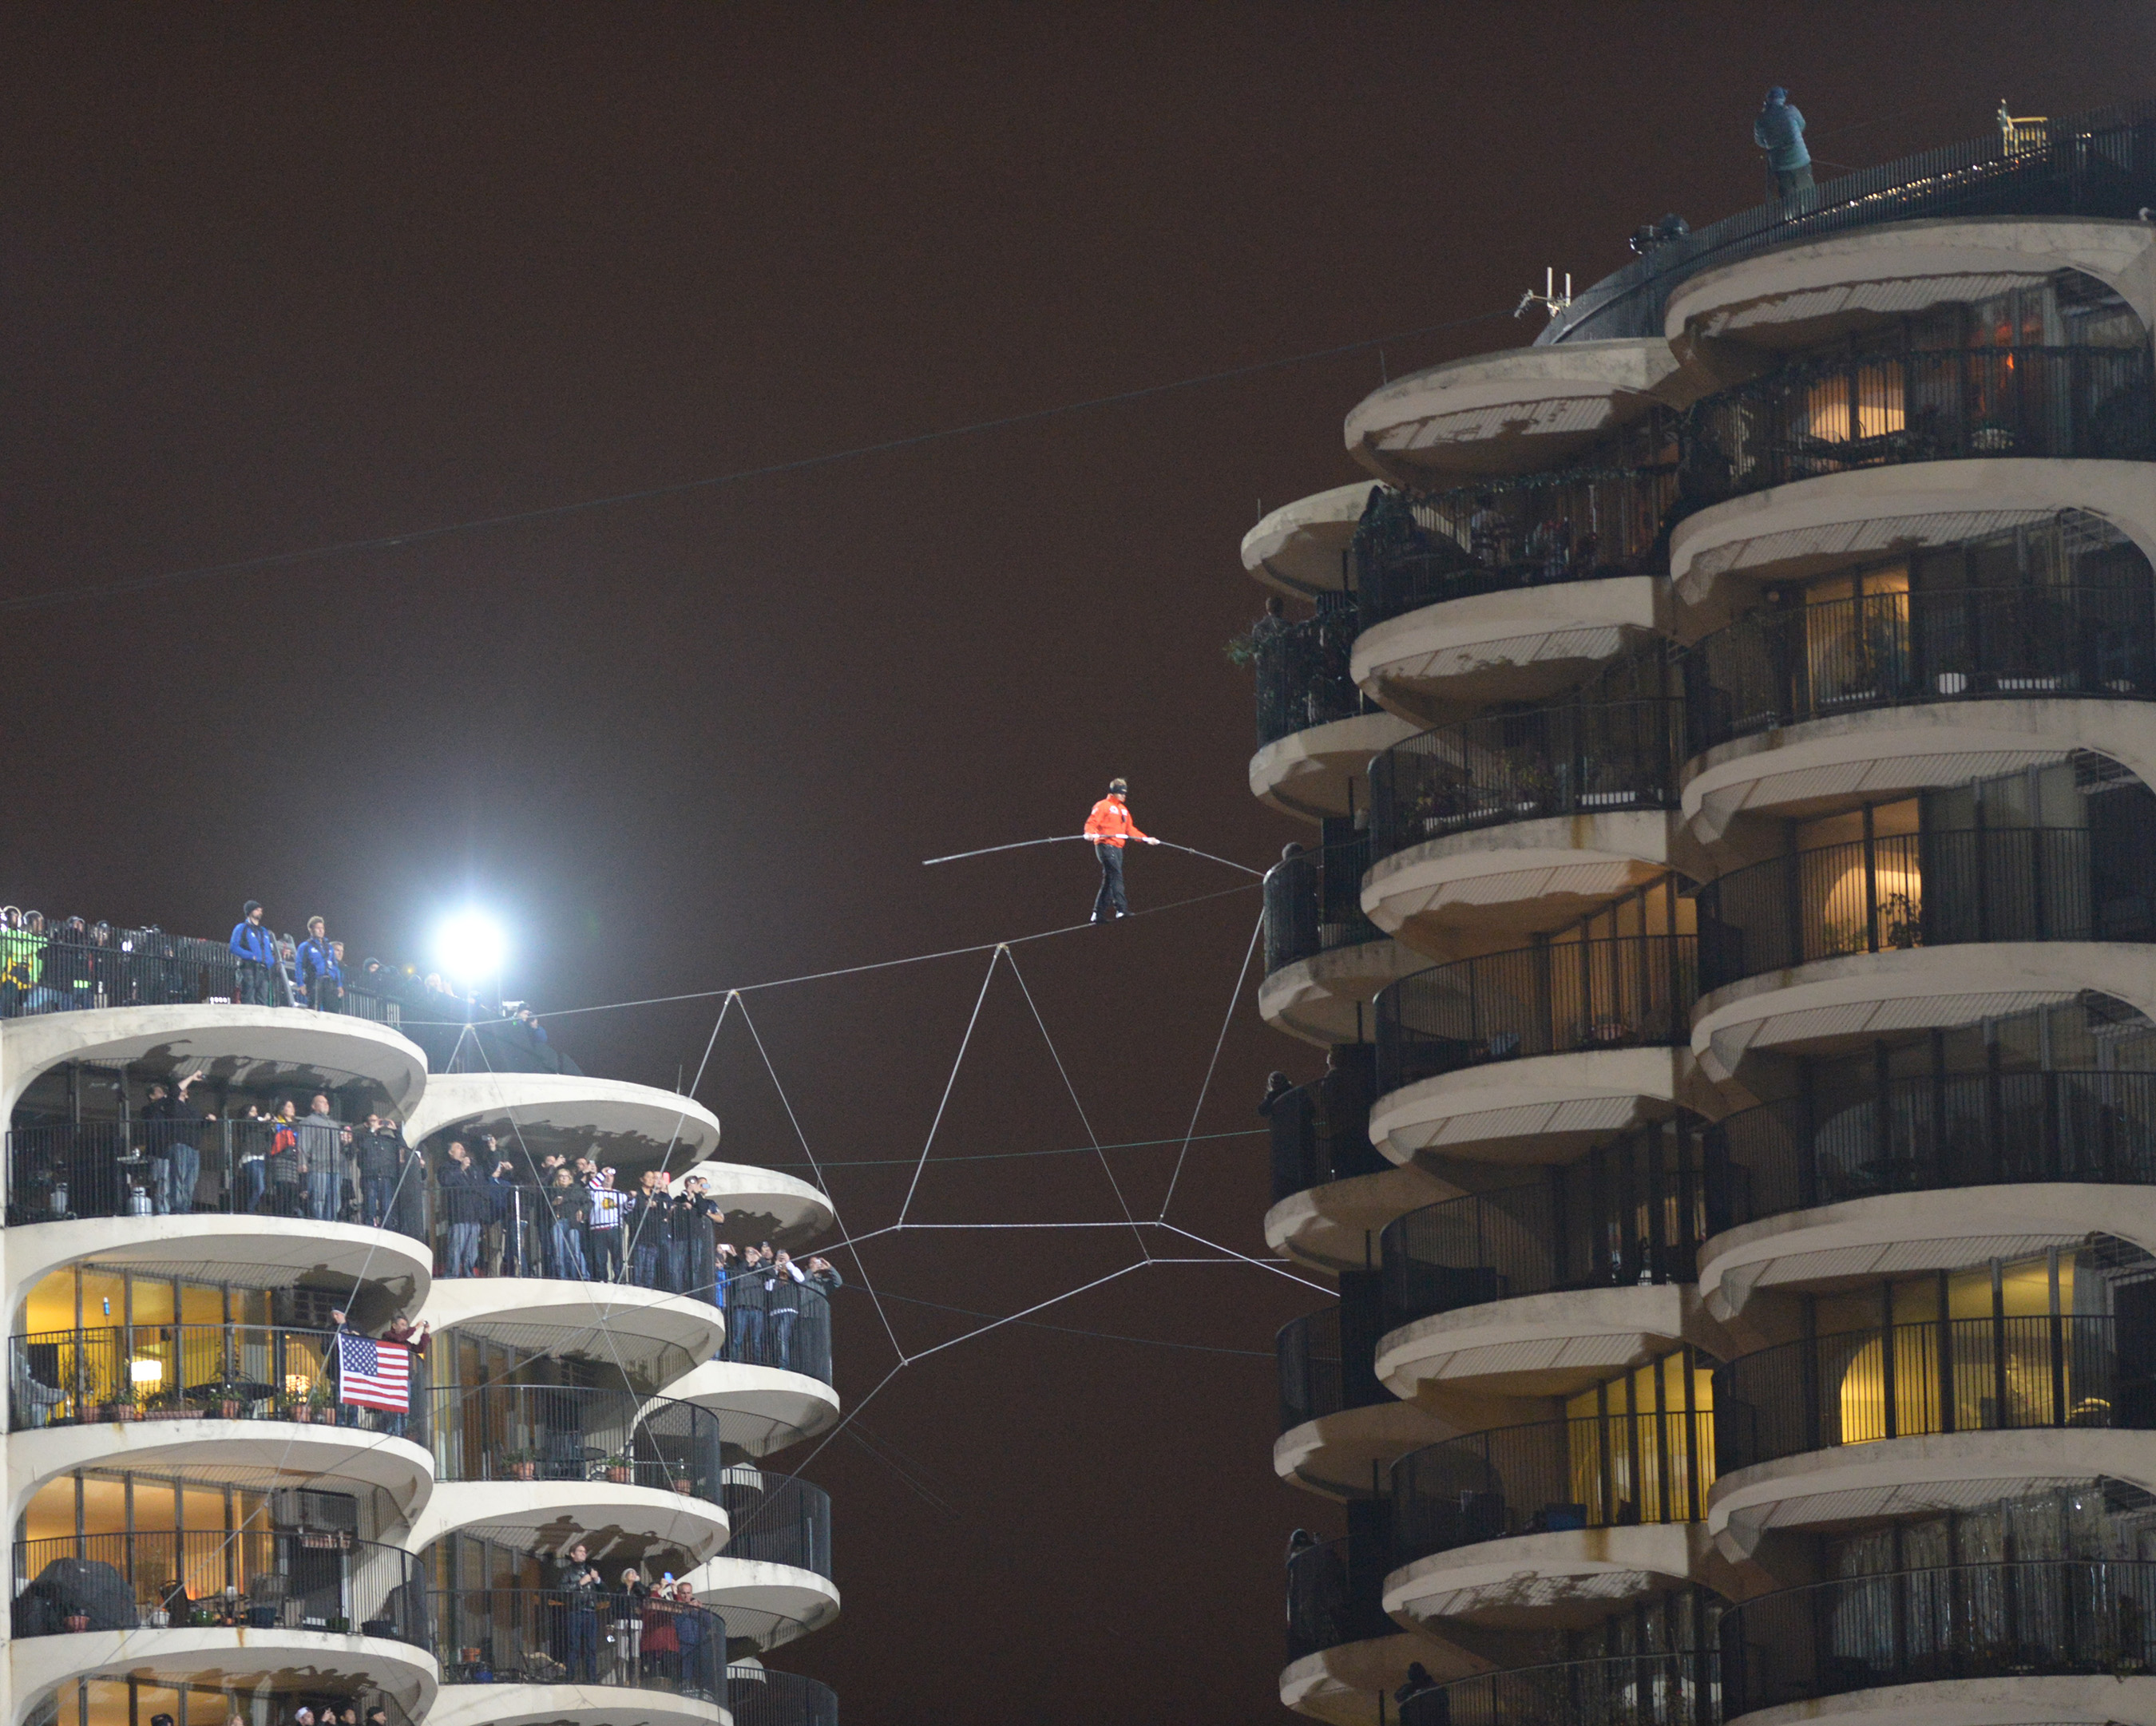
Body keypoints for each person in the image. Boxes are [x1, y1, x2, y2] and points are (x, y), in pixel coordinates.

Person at [1084, 777, 1159, 924]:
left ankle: (1097, 913)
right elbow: (1092, 821)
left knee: (1110, 880)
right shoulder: (1103, 805)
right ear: (1114, 792)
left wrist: (1146, 839)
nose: (1124, 795)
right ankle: (1121, 909)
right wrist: (1089, 832)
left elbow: (1130, 829)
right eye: (1121, 792)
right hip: (1106, 845)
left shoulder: (1124, 810)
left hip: (1118, 848)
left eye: (1125, 792)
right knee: (1116, 876)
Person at [438, 1140, 490, 1277]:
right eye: (458, 1147)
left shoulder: (473, 1168)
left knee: (472, 1250)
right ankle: (451, 1274)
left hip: (474, 1214)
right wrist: (461, 1168)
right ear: (450, 1152)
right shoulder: (447, 1167)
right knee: (456, 1248)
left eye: (462, 1147)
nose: (462, 1149)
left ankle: (469, 1272)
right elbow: (445, 1181)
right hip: (459, 1214)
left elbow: (483, 1183)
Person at [555, 1541, 604, 1684]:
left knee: (592, 1647)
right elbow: (560, 1590)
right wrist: (580, 1584)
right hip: (575, 1611)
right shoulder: (567, 1571)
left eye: (584, 1551)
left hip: (590, 1611)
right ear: (572, 1554)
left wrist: (597, 1580)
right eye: (580, 1551)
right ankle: (570, 1677)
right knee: (574, 1645)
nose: (583, 1553)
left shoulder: (589, 1570)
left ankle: (592, 1679)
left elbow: (605, 1591)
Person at [1755, 86, 1813, 205]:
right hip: (1800, 159)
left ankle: (1791, 220)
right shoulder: (1791, 110)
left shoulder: (1761, 119)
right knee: (1808, 195)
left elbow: (1760, 141)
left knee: (1787, 198)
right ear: (1782, 98)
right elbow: (1802, 125)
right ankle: (1813, 219)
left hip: (1780, 165)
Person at [296, 1095, 343, 1221]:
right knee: (319, 1198)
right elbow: (303, 1143)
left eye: (327, 1102)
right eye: (322, 1102)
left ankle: (330, 1222)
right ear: (314, 1106)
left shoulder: (334, 1124)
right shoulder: (309, 1121)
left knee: (335, 1200)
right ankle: (319, 1223)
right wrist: (303, 1162)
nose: (326, 1104)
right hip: (318, 1167)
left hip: (335, 1168)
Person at [355, 1113, 406, 1229]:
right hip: (370, 1176)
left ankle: (387, 1228)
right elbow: (363, 1147)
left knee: (386, 1206)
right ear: (366, 1124)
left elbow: (403, 1146)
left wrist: (395, 1130)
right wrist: (372, 1130)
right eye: (373, 1121)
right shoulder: (362, 1137)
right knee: (370, 1205)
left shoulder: (387, 1139)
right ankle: (370, 1227)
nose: (377, 1123)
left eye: (378, 1120)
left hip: (386, 1175)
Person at [763, 1249, 807, 1371]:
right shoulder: (774, 1276)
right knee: (774, 1338)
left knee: (782, 1335)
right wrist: (776, 1269)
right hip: (774, 1312)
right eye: (779, 1258)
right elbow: (768, 1288)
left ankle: (783, 1363)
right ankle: (776, 1362)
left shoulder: (793, 1274)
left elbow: (801, 1278)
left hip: (789, 1310)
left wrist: (788, 1263)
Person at [230, 901, 276, 1007]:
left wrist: (271, 961)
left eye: (261, 910)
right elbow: (233, 947)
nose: (260, 911)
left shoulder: (264, 931)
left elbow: (269, 949)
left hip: (264, 970)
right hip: (249, 968)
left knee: (263, 1001)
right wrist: (252, 956)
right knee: (248, 999)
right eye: (257, 909)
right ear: (249, 911)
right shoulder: (242, 928)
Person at [549, 1166, 590, 1279]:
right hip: (558, 1221)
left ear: (570, 1178)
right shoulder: (553, 1190)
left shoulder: (576, 1189)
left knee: (575, 1250)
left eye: (566, 1176)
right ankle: (562, 1277)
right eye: (561, 1176)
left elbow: (589, 1202)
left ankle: (584, 1275)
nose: (563, 1179)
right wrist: (554, 1203)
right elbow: (546, 1204)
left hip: (572, 1222)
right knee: (559, 1252)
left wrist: (582, 1210)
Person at [295, 917, 343, 1012]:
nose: (321, 930)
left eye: (322, 928)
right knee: (314, 1010)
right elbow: (299, 965)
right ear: (311, 929)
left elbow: (335, 966)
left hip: (330, 982)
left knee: (332, 1011)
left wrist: (339, 985)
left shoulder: (328, 946)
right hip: (314, 982)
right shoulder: (305, 946)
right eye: (318, 928)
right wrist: (300, 984)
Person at [671, 1580, 707, 1695]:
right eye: (684, 1593)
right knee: (685, 1669)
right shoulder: (676, 1607)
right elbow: (676, 1623)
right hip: (683, 1642)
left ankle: (699, 1688)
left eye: (689, 1593)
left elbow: (708, 1624)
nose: (687, 1596)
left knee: (699, 1668)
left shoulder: (696, 1609)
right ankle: (684, 1687)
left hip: (697, 1643)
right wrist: (687, 1610)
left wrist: (701, 1611)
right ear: (679, 1593)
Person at [613, 1566, 649, 1680]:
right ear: (625, 1576)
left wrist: (638, 1583)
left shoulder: (639, 1589)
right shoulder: (620, 1590)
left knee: (635, 1651)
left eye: (635, 1573)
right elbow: (614, 1605)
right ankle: (620, 1678)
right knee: (621, 1651)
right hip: (622, 1621)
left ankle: (634, 1679)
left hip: (635, 1621)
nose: (634, 1574)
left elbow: (645, 1594)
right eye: (631, 1573)